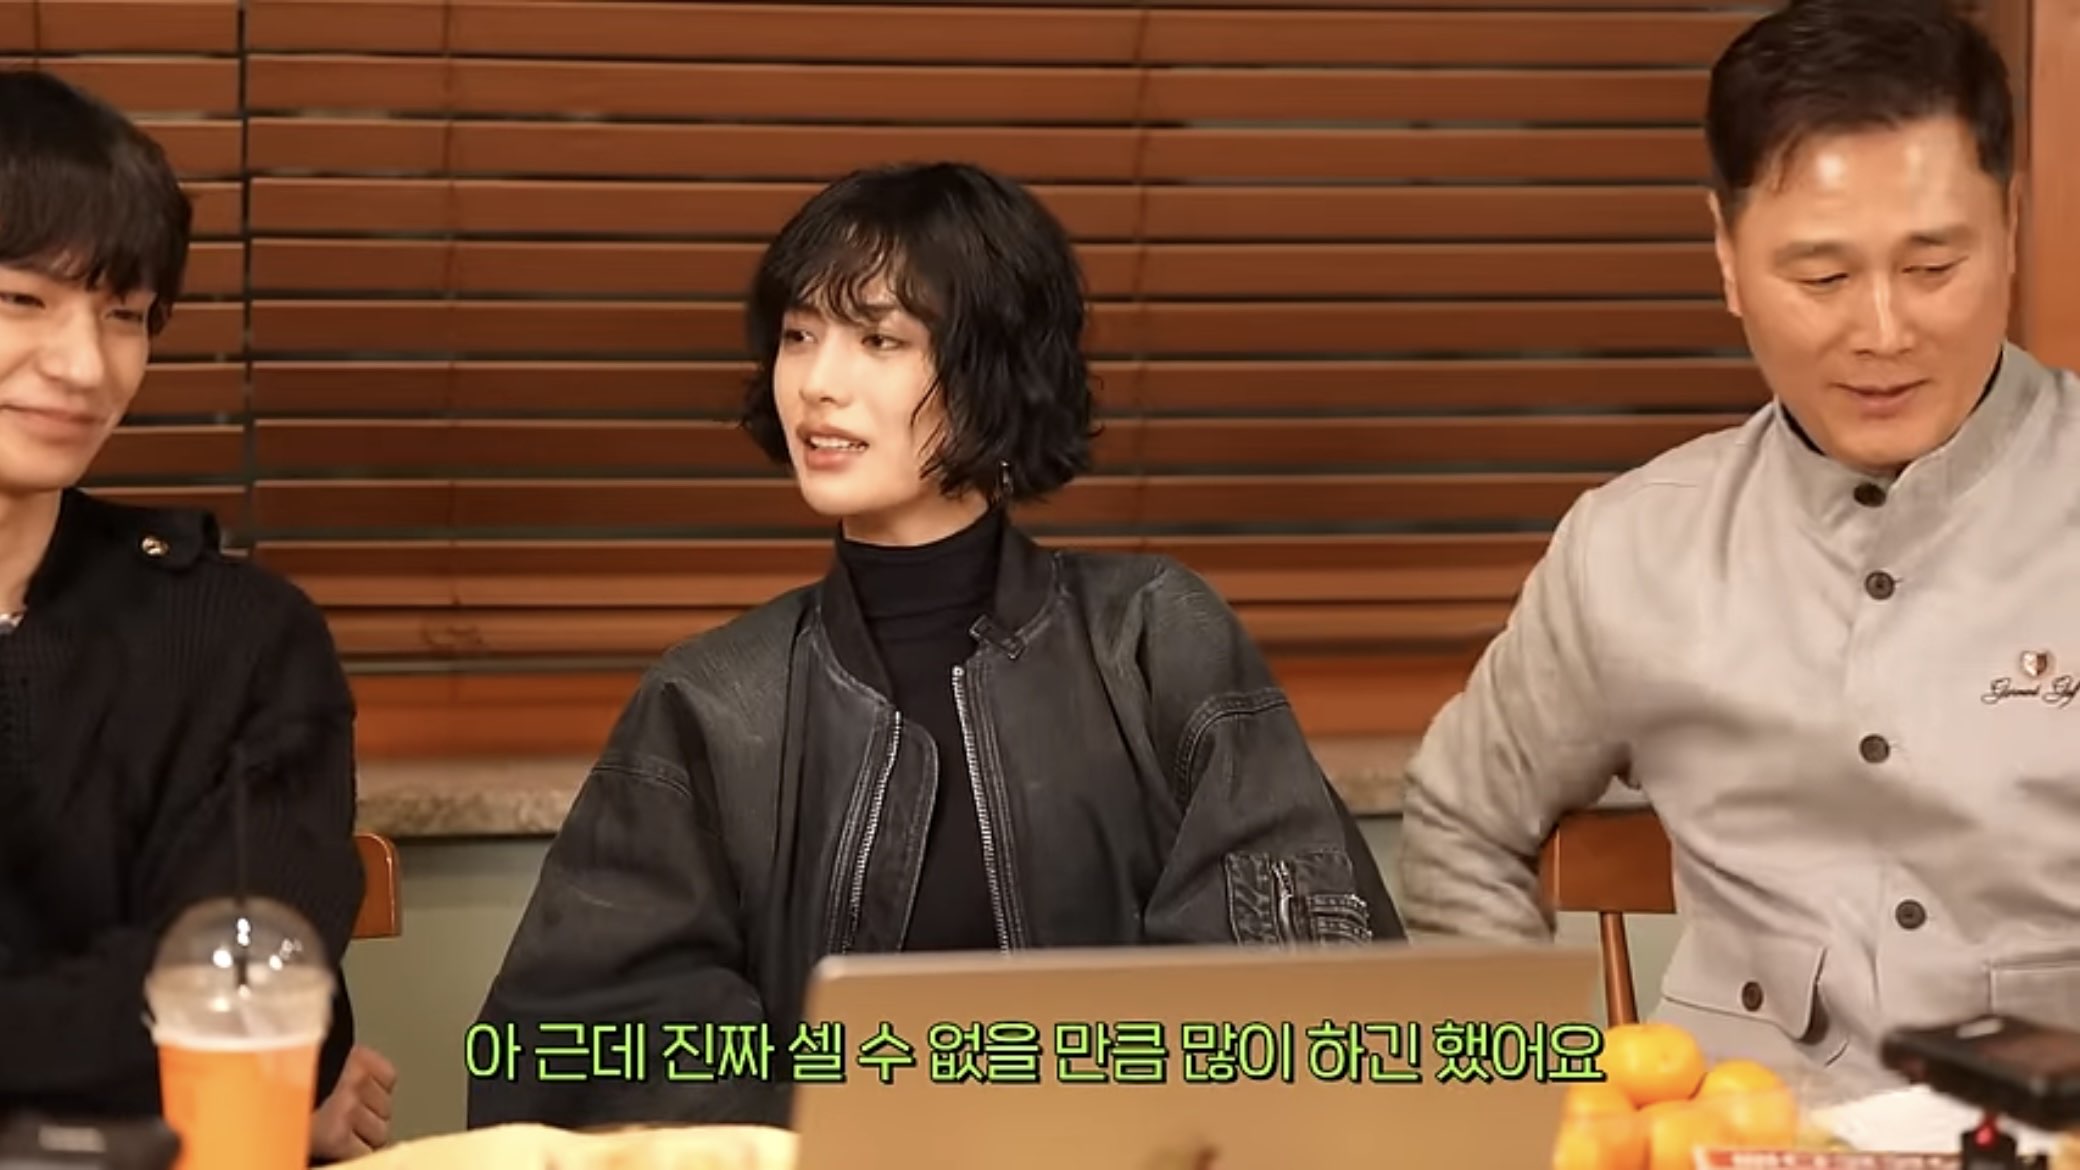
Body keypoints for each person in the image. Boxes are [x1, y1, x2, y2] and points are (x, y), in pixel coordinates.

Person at [468, 160, 1402, 1129]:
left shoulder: (1154, 638)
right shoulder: (713, 700)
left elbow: (1299, 996)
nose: (817, 384)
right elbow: (585, 1039)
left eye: (879, 339)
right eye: (799, 335)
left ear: (992, 369)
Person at [1397, 0, 2078, 1104]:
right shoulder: (1633, 549)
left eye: (1933, 265)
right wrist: (1541, 1107)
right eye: (1820, 278)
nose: (1882, 331)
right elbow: (1460, 821)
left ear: (2010, 221)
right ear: (1726, 257)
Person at [0, 69, 395, 1156]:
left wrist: (250, 1051)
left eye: (125, 316)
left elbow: (255, 984)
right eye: (23, 300)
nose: (84, 365)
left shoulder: (242, 640)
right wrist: (166, 1049)